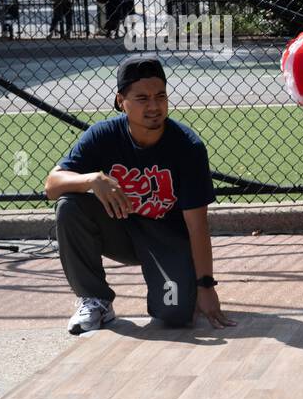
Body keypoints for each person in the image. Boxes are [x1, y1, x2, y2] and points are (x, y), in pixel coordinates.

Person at [43, 55, 234, 334]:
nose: (154, 106)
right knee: (70, 204)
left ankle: (180, 289)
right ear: (122, 101)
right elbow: (51, 185)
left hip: (166, 238)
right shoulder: (103, 135)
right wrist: (91, 179)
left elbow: (197, 224)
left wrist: (205, 285)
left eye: (160, 96)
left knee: (175, 316)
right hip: (119, 230)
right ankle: (96, 300)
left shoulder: (188, 146)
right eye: (142, 98)